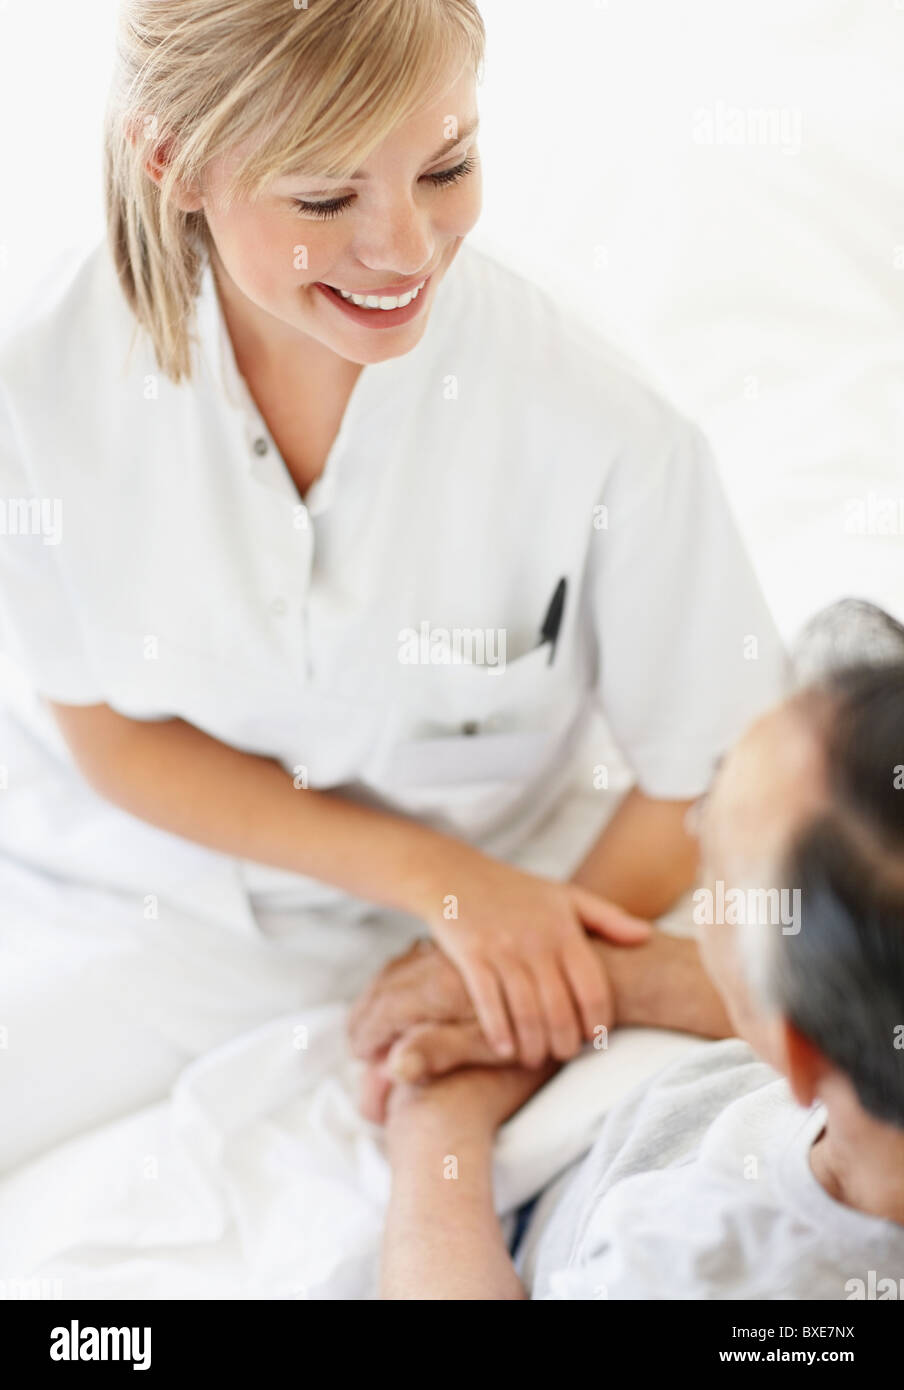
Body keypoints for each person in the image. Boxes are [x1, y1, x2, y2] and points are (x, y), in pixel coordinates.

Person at [0, 0, 784, 1174]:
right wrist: (441, 882)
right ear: (173, 162)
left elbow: (714, 768)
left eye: (447, 166)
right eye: (325, 200)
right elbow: (108, 731)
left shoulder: (602, 425)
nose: (408, 246)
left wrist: (516, 945)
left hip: (530, 879)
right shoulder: (39, 382)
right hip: (141, 886)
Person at [357, 612, 904, 1299]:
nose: (688, 824)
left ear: (798, 1052)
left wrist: (436, 1128)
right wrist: (609, 982)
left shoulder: (686, 1273)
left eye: (713, 846)